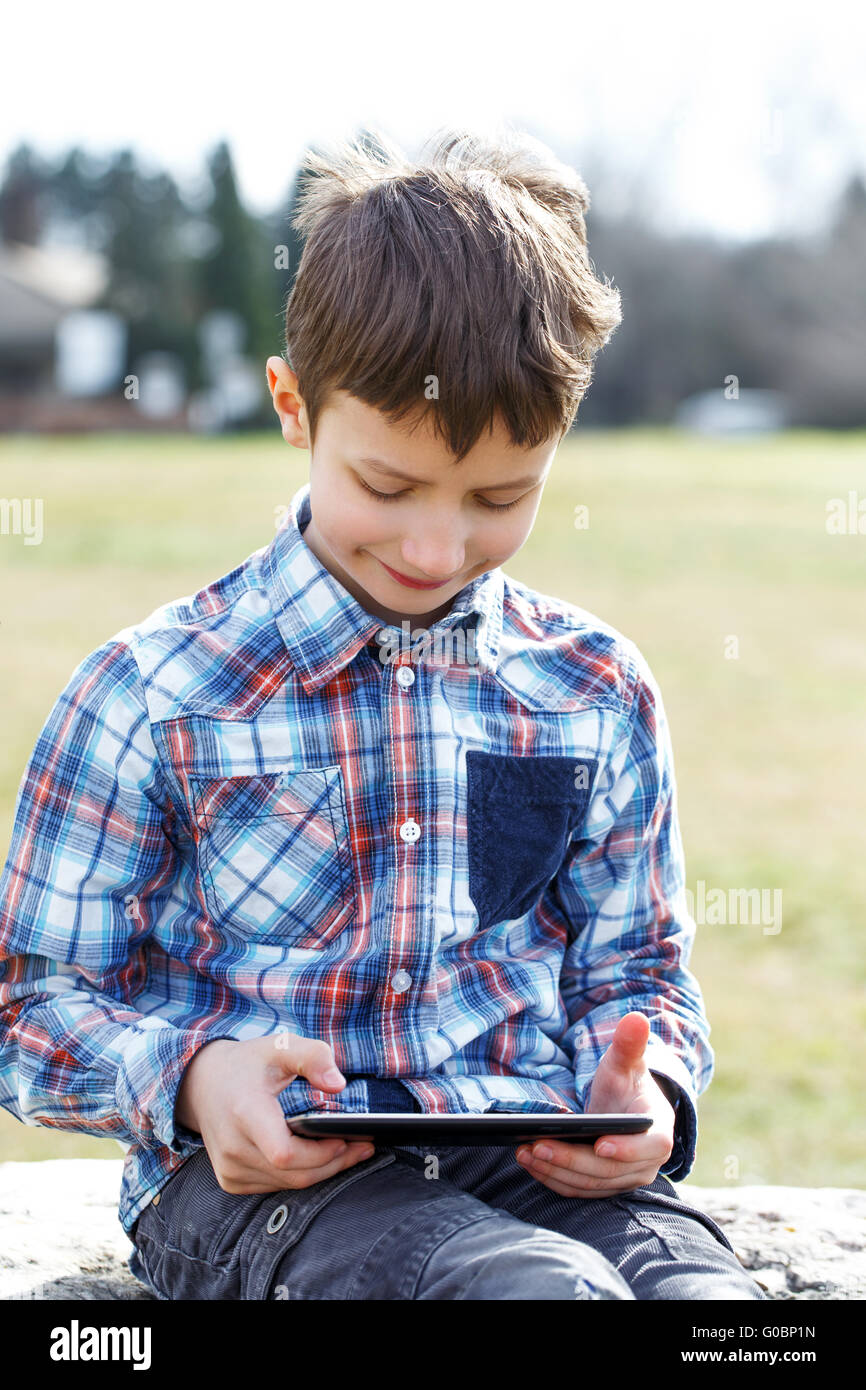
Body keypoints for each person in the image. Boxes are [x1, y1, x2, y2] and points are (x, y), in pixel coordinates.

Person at [0, 126, 766, 1301]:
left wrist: (647, 1086)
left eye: (499, 497)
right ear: (293, 405)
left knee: (713, 1317)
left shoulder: (591, 686)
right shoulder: (153, 693)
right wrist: (195, 1076)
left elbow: (638, 972)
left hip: (532, 1159)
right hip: (266, 1188)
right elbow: (30, 1005)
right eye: (387, 485)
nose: (434, 545)